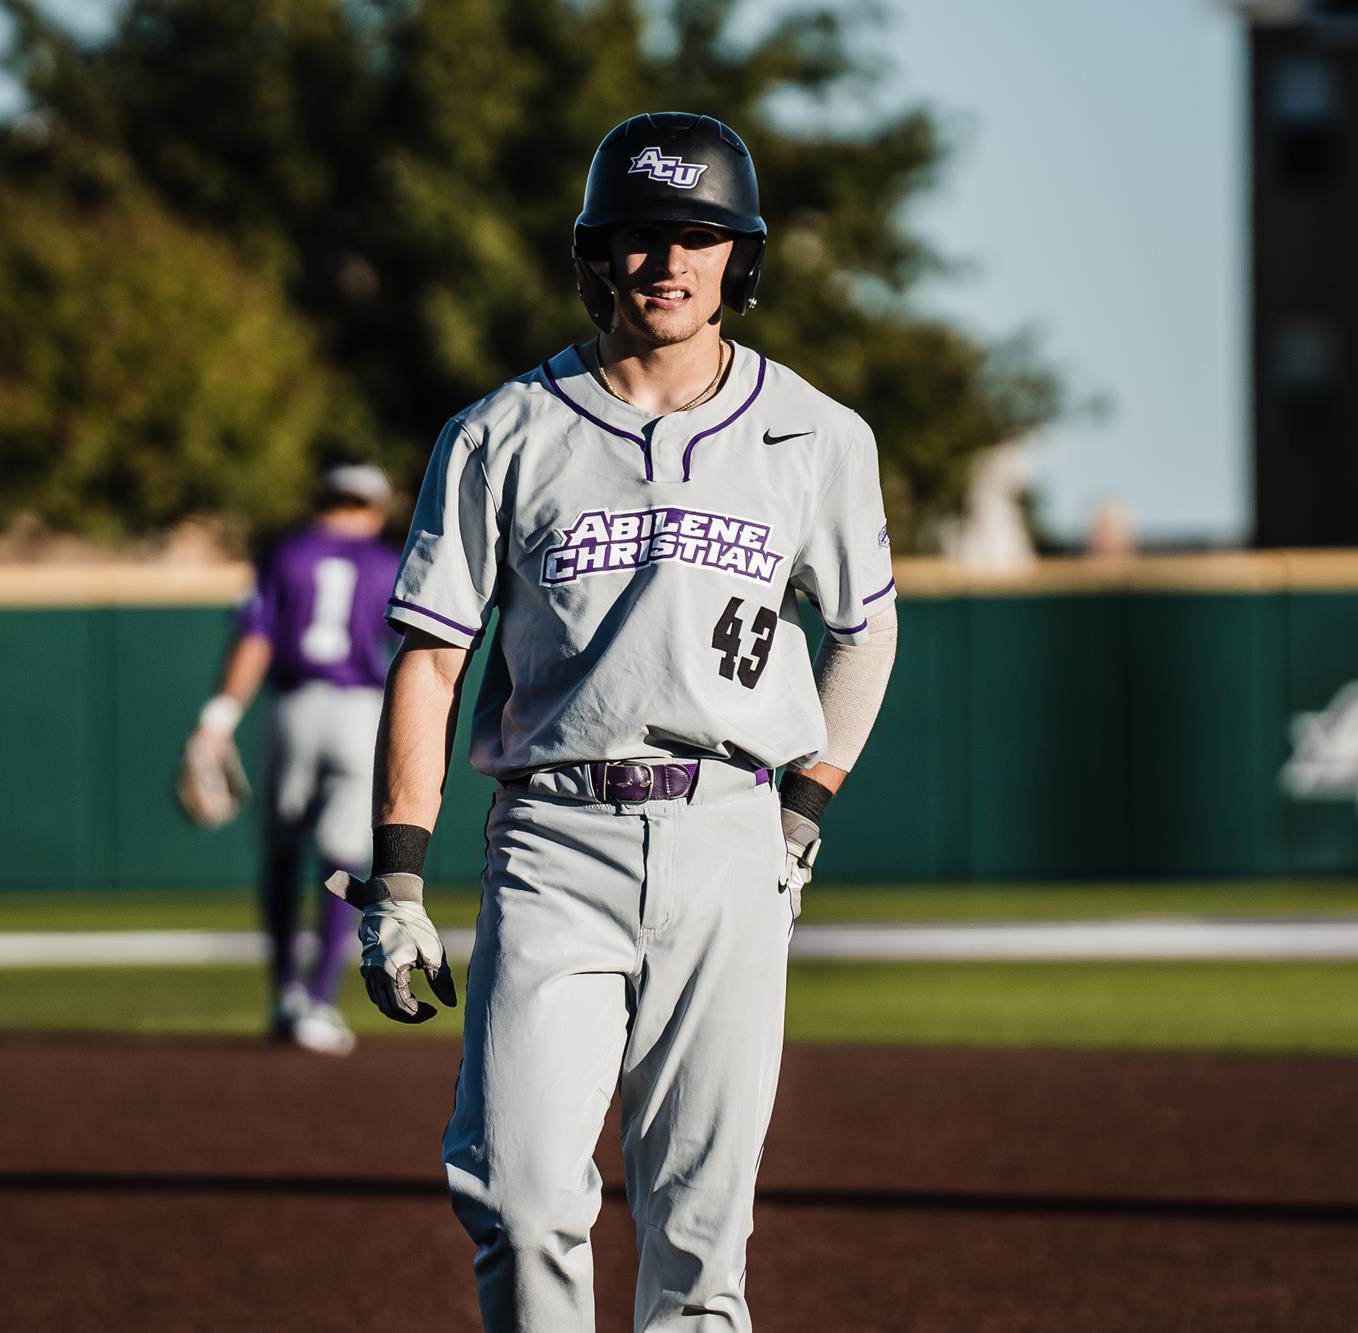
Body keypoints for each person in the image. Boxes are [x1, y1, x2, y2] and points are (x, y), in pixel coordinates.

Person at [327, 113, 899, 1331]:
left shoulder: (816, 434)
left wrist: (804, 810)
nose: (667, 261)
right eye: (639, 234)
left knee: (699, 1241)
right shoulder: (500, 432)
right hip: (554, 838)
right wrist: (398, 880)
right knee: (520, 1197)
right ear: (596, 254)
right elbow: (430, 658)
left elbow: (864, 631)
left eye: (698, 234)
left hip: (729, 832)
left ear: (738, 256)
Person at [186, 462, 400, 1053]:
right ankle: (320, 1002)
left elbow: (256, 638)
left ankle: (286, 992)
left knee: (282, 853)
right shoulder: (389, 561)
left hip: (295, 710)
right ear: (375, 507)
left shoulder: (286, 553)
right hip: (361, 711)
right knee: (343, 857)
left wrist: (218, 719)